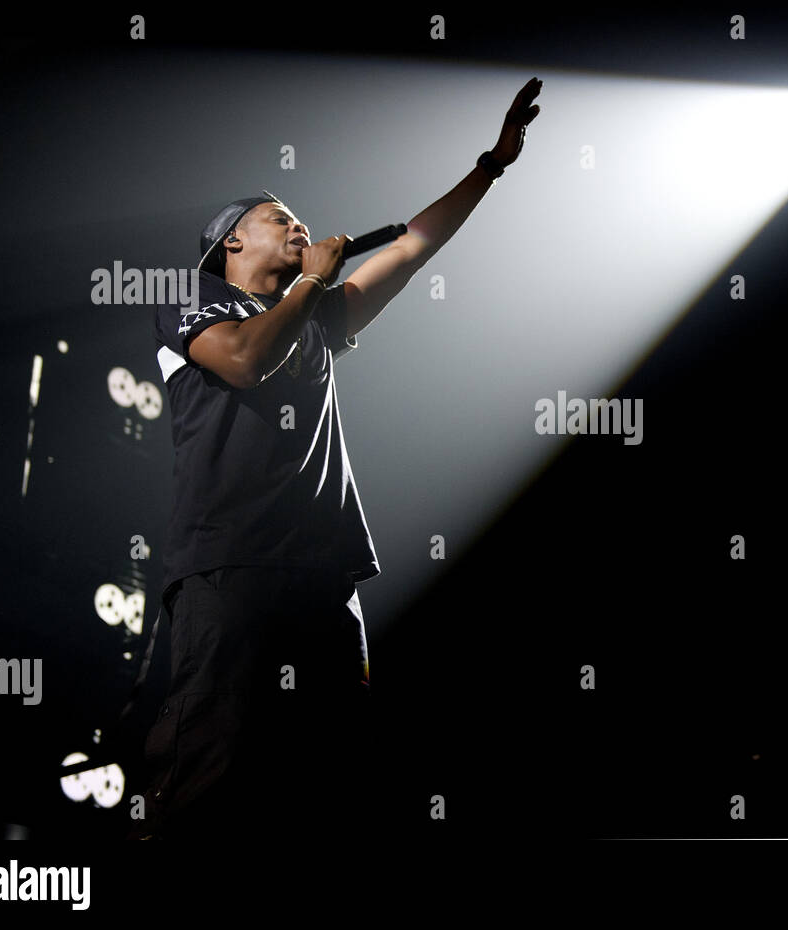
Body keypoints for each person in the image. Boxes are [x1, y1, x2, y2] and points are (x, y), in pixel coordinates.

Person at [130, 77, 542, 840]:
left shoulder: (316, 320)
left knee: (336, 777)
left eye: (302, 222)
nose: (301, 228)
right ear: (231, 244)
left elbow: (416, 246)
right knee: (208, 772)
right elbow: (247, 362)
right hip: (233, 568)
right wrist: (317, 273)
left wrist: (491, 164)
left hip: (325, 577)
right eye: (279, 220)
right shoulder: (194, 301)